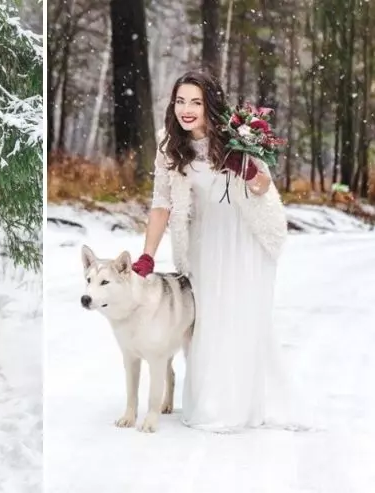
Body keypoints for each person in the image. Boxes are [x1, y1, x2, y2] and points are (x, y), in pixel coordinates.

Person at [131, 70, 292, 432]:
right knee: (207, 318)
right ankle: (212, 402)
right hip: (203, 237)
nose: (186, 109)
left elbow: (263, 186)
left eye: (195, 102)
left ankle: (246, 404)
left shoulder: (237, 135)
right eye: (180, 101)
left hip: (244, 234)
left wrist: (246, 169)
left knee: (241, 315)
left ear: (210, 106)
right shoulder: (169, 146)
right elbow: (162, 203)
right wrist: (148, 254)